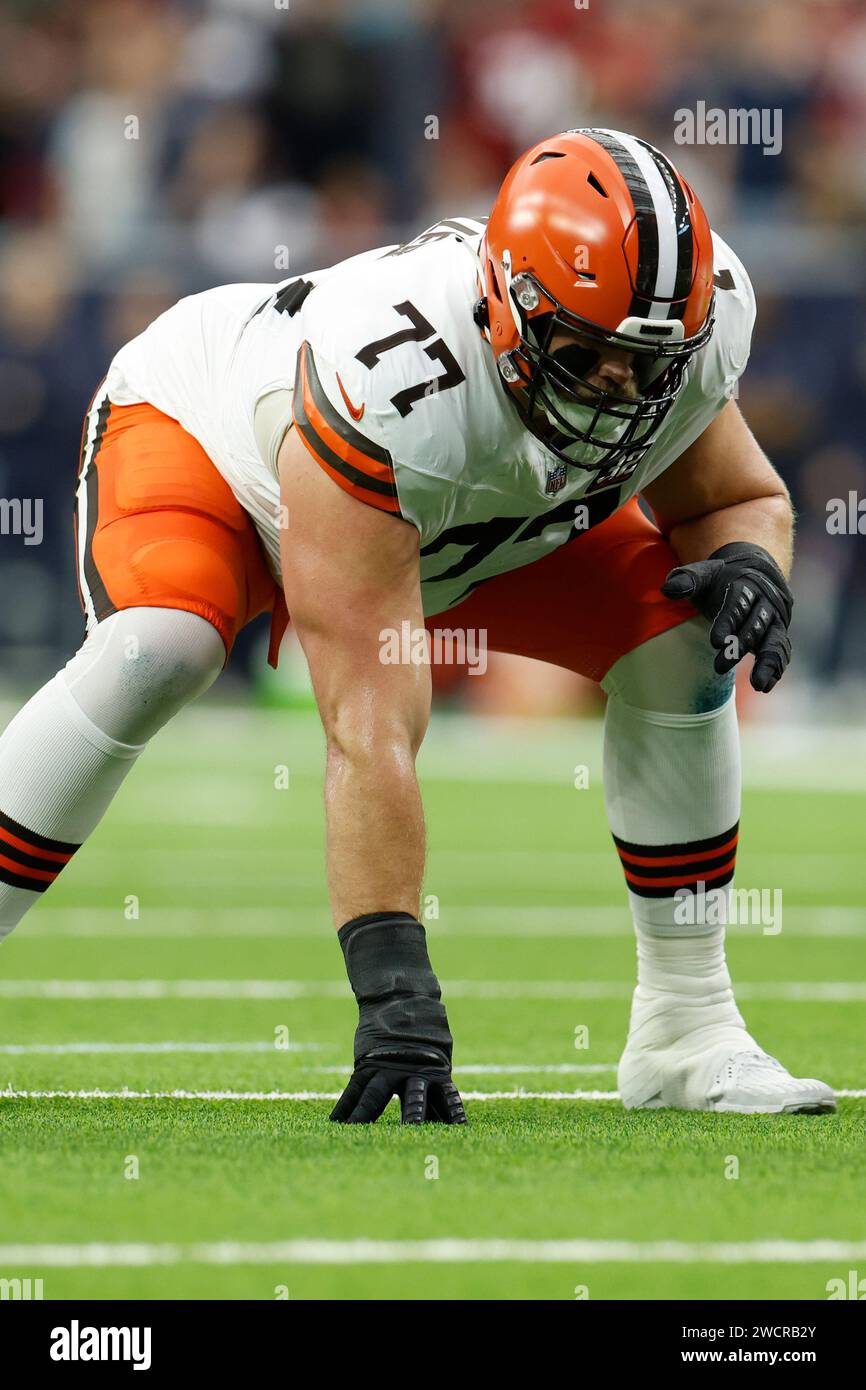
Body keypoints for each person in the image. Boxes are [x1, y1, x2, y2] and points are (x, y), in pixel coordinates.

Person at [0, 129, 834, 1122]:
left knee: (684, 642)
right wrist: (393, 979)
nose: (616, 393)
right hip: (215, 447)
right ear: (504, 310)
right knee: (157, 649)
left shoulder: (683, 320)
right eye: (584, 356)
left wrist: (750, 563)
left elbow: (736, 495)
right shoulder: (393, 387)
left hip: (467, 511)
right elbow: (369, 724)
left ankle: (685, 1032)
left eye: (641, 368)